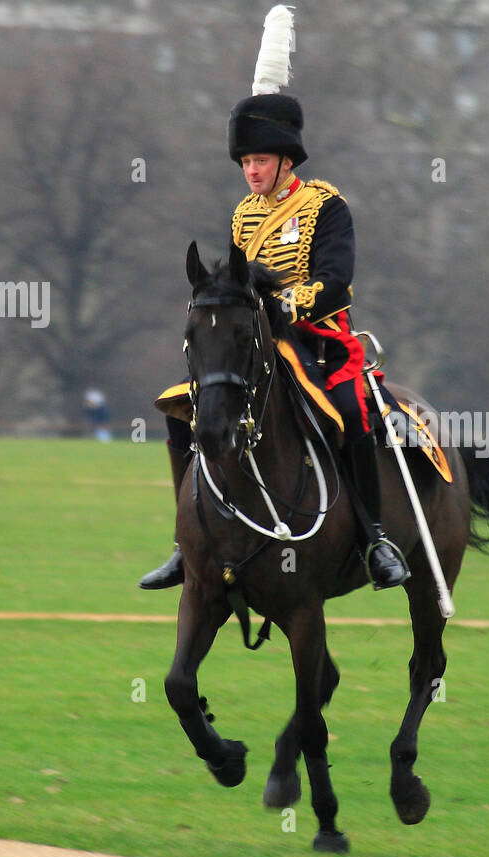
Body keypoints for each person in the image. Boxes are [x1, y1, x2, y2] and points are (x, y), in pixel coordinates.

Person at [139, 90, 410, 592]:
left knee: (351, 412)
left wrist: (282, 306)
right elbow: (237, 281)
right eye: (245, 161)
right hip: (259, 344)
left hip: (319, 341)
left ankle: (375, 540)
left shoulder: (326, 206)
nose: (251, 170)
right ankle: (185, 543)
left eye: (259, 159)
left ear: (286, 160)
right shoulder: (243, 215)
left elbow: (335, 282)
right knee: (184, 406)